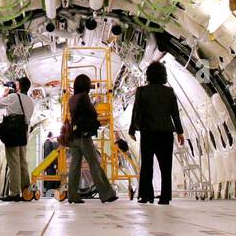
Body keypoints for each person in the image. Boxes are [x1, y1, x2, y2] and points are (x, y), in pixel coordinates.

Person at [129, 60, 185, 205]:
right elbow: (175, 114)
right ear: (163, 75)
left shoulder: (142, 91)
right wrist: (180, 132)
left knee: (147, 165)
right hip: (166, 133)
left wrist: (132, 130)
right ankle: (165, 197)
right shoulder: (169, 92)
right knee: (166, 166)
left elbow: (136, 112)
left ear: (148, 75)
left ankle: (146, 196)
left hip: (148, 132)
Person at [64, 73, 117, 204]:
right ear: (86, 86)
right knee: (94, 164)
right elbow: (93, 113)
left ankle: (72, 195)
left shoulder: (72, 99)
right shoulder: (84, 97)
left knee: (75, 167)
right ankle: (106, 194)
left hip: (74, 136)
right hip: (84, 135)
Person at [0, 76, 35, 201]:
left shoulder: (13, 97)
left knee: (13, 162)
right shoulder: (30, 101)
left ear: (19, 86)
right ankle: (26, 190)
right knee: (23, 161)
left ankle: (14, 192)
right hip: (23, 133)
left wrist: (4, 94)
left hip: (12, 132)